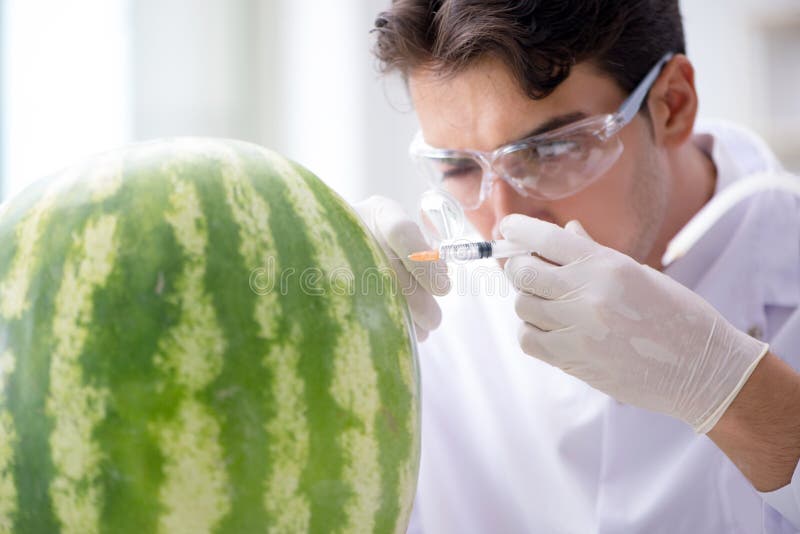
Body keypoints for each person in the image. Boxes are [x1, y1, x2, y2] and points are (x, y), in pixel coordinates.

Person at [354, 1, 800, 532]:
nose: (502, 222)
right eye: (457, 167)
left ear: (672, 104)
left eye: (550, 150)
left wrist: (738, 394)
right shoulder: (435, 311)